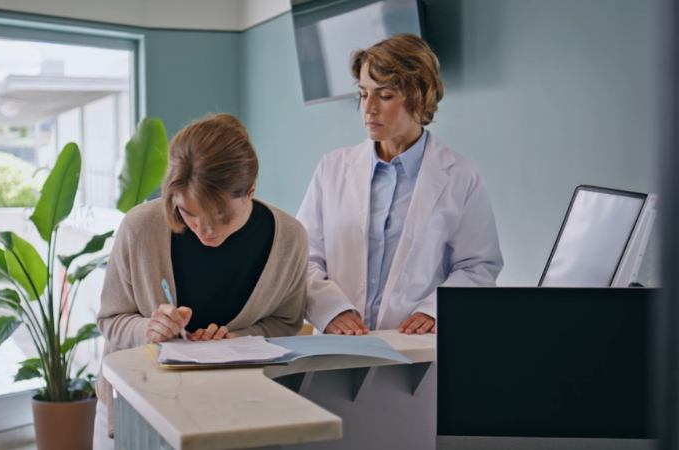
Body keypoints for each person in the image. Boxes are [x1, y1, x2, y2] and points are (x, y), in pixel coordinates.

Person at [93, 113, 309, 449]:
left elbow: (285, 323)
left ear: (250, 191)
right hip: (135, 409)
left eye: (220, 217)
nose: (204, 231)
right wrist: (148, 330)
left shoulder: (290, 238)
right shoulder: (140, 228)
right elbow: (110, 319)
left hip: (236, 411)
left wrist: (234, 339)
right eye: (188, 213)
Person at [297, 34, 503, 336]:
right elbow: (303, 256)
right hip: (339, 347)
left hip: (416, 350)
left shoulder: (462, 176)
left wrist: (437, 311)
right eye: (364, 94)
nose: (368, 109)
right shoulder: (332, 168)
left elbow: (478, 267)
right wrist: (330, 310)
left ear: (418, 96)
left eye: (384, 95)